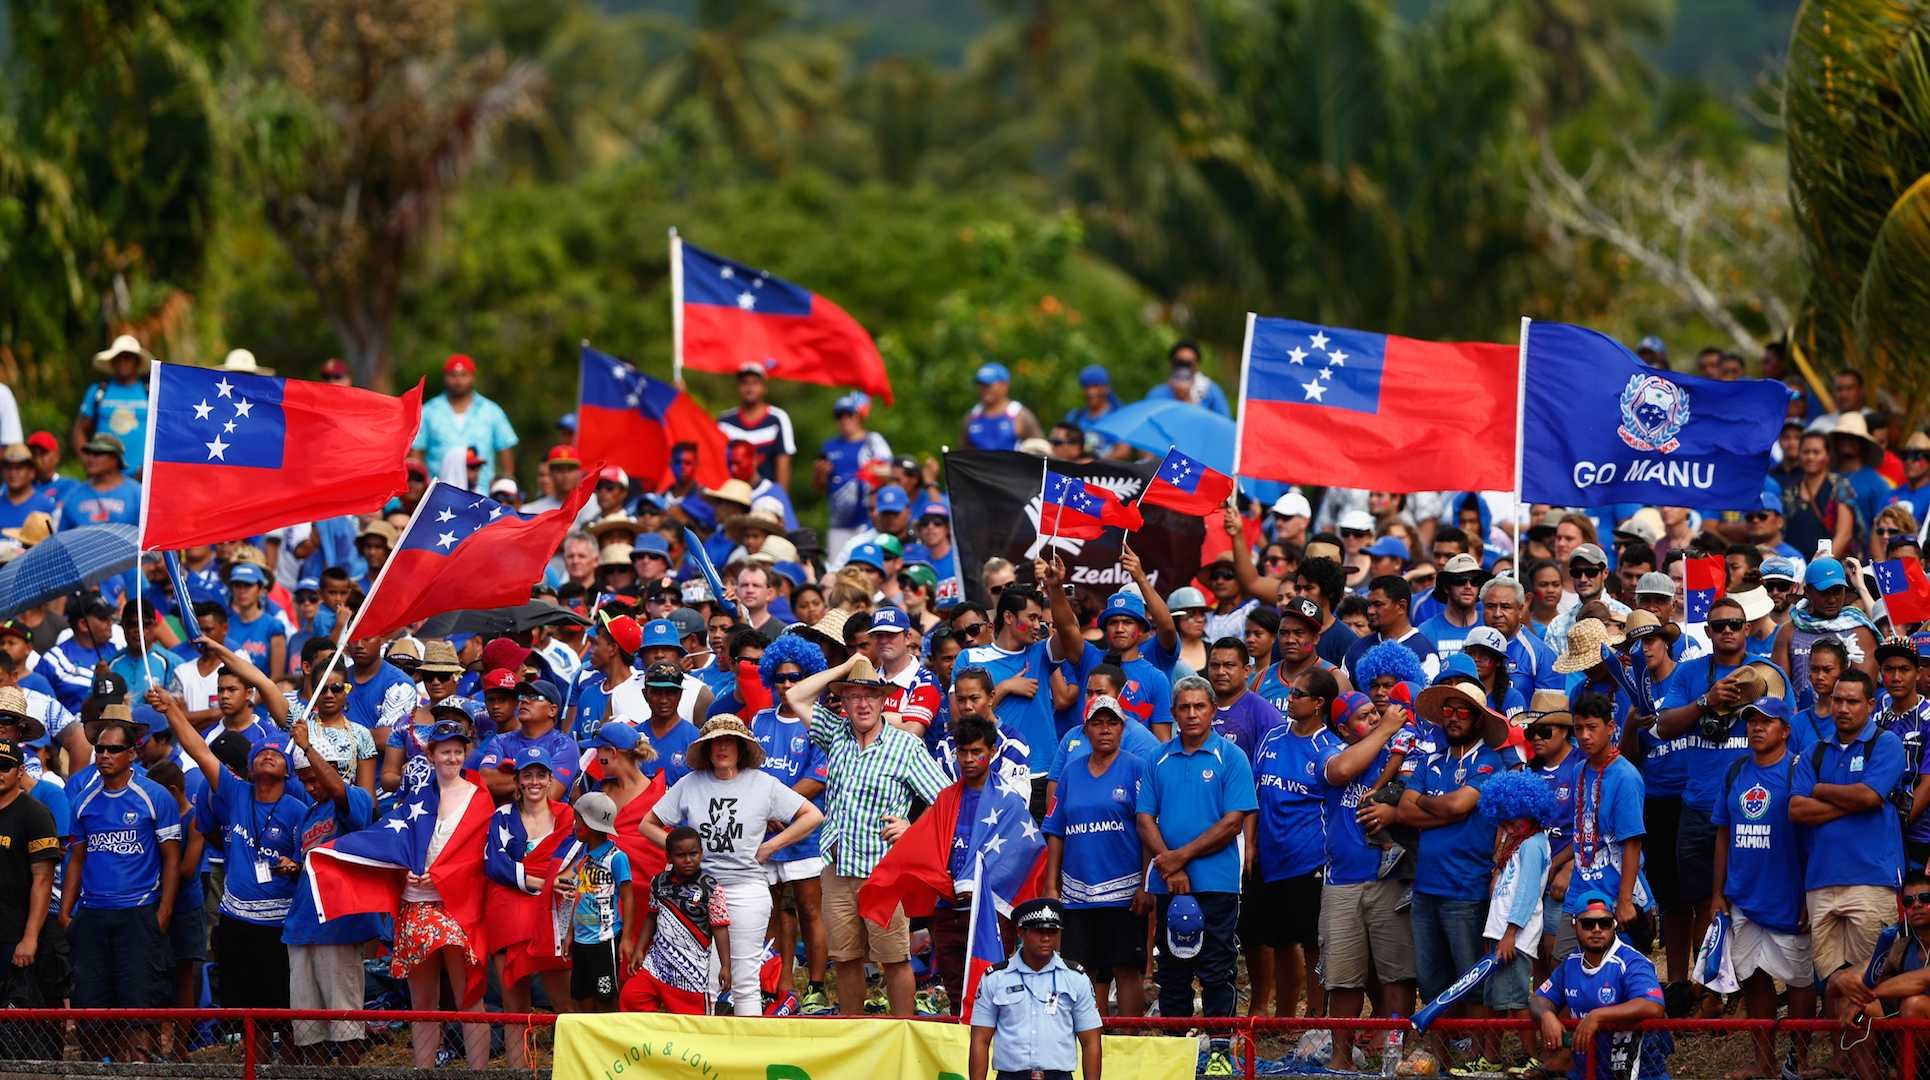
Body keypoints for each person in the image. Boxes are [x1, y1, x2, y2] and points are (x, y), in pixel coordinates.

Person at [784, 654, 949, 1016]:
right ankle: (853, 1031)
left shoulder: (905, 746)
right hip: (838, 866)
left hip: (884, 872)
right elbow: (796, 696)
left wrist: (910, 828)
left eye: (870, 695)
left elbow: (948, 801)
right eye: (853, 695)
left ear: (882, 700)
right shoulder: (836, 734)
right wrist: (846, 667)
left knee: (893, 958)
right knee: (845, 958)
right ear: (843, 702)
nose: (862, 703)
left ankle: (903, 1031)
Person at [643, 714, 823, 1016]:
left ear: (741, 747)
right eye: (715, 742)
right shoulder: (690, 784)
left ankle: (747, 1056)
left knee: (745, 979)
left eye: (729, 741)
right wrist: (681, 855)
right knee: (704, 978)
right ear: (706, 749)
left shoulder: (764, 784)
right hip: (700, 891)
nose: (722, 747)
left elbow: (812, 815)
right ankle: (706, 1055)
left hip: (747, 888)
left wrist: (771, 846)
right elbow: (648, 824)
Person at [150, 687, 304, 1027]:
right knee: (245, 1012)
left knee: (282, 1011)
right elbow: (199, 750)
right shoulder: (235, 792)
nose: (267, 754)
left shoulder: (297, 811)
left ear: (288, 771)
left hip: (277, 926)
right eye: (261, 752)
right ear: (248, 767)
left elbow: (308, 865)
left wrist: (295, 866)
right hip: (235, 921)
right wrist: (172, 709)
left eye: (276, 754)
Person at [61, 707, 181, 1063]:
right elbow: (77, 859)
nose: (105, 756)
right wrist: (66, 913)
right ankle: (96, 1071)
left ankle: (139, 1070)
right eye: (100, 749)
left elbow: (172, 860)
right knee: (90, 1007)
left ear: (132, 753)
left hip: (139, 913)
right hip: (93, 914)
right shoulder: (82, 799)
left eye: (114, 749)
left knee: (138, 1004)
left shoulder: (155, 795)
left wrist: (163, 912)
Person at [1135, 675, 1257, 1021]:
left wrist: (1178, 860)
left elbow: (1233, 822)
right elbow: (1145, 818)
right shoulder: (1156, 757)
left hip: (1217, 882)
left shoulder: (1231, 757)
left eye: (1199, 706)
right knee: (1173, 971)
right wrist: (1170, 868)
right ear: (1173, 712)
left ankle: (1219, 1048)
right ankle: (1176, 1053)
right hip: (1167, 883)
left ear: (1212, 711)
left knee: (1217, 968)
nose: (1191, 714)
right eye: (1184, 707)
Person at [1709, 696, 1817, 1078]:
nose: (1756, 727)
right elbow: (1724, 833)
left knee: (1800, 980)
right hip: (1743, 895)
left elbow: (1812, 836)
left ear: (1785, 730)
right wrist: (1718, 894)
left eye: (1766, 722)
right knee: (1753, 978)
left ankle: (1800, 1061)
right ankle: (1765, 1061)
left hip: (1788, 894)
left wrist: (1809, 894)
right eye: (1751, 721)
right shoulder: (1737, 769)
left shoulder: (1798, 770)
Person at [1791, 668, 1907, 984]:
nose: (1842, 708)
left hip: (1871, 880)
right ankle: (1837, 1038)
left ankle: (1872, 1037)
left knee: (1871, 980)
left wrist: (1821, 789)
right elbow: (1797, 809)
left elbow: (1869, 796)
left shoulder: (1886, 744)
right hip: (1820, 881)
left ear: (1870, 704)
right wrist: (1854, 802)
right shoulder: (1814, 750)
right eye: (1838, 700)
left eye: (1852, 701)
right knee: (1831, 983)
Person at [279, 718, 382, 1065]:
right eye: (304, 780)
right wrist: (292, 866)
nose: (310, 786)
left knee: (345, 1016)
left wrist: (308, 747)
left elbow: (337, 790)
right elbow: (306, 861)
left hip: (338, 922)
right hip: (303, 923)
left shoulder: (354, 798)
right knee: (307, 1020)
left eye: (315, 777)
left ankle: (349, 1071)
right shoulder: (308, 815)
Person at [1043, 695, 1151, 1018]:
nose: (1105, 729)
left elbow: (1147, 829)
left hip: (1124, 893)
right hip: (1077, 893)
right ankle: (1089, 1044)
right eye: (1097, 723)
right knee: (1080, 972)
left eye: (1112, 722)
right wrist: (1051, 884)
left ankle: (1131, 1043)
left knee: (1127, 969)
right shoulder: (1071, 773)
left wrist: (1147, 885)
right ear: (1085, 729)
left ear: (1123, 728)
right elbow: (1056, 830)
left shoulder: (1136, 768)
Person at [749, 634, 833, 1014]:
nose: (787, 684)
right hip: (765, 832)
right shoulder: (759, 720)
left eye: (795, 677)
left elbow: (819, 776)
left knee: (810, 909)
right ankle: (779, 983)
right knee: (776, 911)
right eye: (780, 677)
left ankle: (815, 986)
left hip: (805, 834)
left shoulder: (820, 721)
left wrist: (778, 807)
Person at [483, 746, 577, 1068]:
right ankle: (518, 1071)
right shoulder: (502, 816)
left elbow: (574, 865)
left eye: (540, 775)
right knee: (515, 1008)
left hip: (552, 914)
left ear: (550, 779)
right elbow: (496, 865)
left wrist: (548, 883)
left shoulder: (567, 817)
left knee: (563, 1003)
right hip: (508, 912)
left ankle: (572, 1069)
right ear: (518, 781)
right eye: (528, 775)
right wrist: (544, 882)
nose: (534, 781)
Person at [1249, 669, 1332, 1021]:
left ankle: (1314, 1015)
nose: (1290, 698)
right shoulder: (1271, 737)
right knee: (1276, 940)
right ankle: (1283, 1016)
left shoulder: (1329, 748)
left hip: (1308, 859)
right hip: (1267, 856)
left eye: (1298, 694)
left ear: (1318, 704)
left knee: (1313, 944)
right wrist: (1250, 844)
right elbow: (1253, 794)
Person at [1530, 892, 1668, 1080]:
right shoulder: (1571, 963)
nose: (1597, 929)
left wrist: (1597, 1016)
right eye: (1588, 924)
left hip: (1638, 1074)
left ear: (1614, 925)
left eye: (1604, 923)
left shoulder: (1632, 962)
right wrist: (1546, 1016)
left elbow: (1653, 1005)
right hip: (1587, 1072)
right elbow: (1539, 999)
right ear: (1574, 925)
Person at [967, 897, 1104, 1080]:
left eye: (1052, 931)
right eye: (1039, 931)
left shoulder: (1075, 978)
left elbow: (1091, 1041)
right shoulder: (995, 978)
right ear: (1021, 932)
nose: (1046, 938)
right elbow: (980, 1040)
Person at [1477, 772, 1558, 1071]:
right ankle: (1490, 1058)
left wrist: (1510, 933)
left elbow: (1525, 894)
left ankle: (1531, 1059)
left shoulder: (1534, 844)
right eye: (1505, 821)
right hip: (1499, 934)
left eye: (1516, 820)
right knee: (1495, 1001)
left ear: (1532, 812)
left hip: (1515, 938)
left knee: (1515, 1003)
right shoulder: (1516, 843)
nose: (1510, 826)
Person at [0, 736, 65, 1059]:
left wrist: (29, 938)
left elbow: (43, 880)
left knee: (23, 1029)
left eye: (5, 767)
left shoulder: (35, 814)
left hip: (17, 935)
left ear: (18, 771)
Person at [620, 825, 730, 1015]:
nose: (688, 860)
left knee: (693, 1026)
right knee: (631, 997)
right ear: (669, 857)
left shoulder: (711, 888)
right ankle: (651, 1042)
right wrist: (639, 949)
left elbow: (720, 929)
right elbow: (651, 916)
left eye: (693, 854)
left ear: (701, 854)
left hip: (690, 973)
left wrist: (726, 966)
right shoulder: (658, 882)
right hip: (655, 964)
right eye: (681, 855)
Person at [412, 353, 517, 487]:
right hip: (439, 495)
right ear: (445, 378)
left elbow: (505, 449)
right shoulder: (428, 411)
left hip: (481, 494)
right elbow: (417, 451)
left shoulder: (491, 411)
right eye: (453, 375)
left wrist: (506, 485)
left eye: (464, 375)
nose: (458, 381)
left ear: (473, 377)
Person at [815, 392, 890, 557]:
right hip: (839, 521)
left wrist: (872, 471)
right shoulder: (830, 446)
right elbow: (819, 488)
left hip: (867, 519)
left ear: (859, 416)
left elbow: (891, 472)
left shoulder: (872, 441)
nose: (844, 419)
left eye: (849, 414)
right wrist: (820, 474)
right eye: (839, 416)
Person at [72, 334, 153, 476]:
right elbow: (79, 430)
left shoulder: (149, 392)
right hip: (104, 476)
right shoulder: (98, 391)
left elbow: (163, 432)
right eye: (119, 357)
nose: (123, 362)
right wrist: (88, 461)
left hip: (142, 477)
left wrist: (151, 466)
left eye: (128, 357)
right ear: (112, 361)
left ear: (137, 362)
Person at [717, 363, 796, 487]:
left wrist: (781, 499)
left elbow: (783, 463)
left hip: (766, 497)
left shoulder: (777, 418)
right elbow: (716, 461)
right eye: (745, 383)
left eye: (755, 383)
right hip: (732, 496)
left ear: (764, 387)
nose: (749, 388)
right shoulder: (724, 421)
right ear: (738, 387)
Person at [56, 433, 142, 528]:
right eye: (88, 453)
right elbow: (63, 535)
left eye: (98, 453)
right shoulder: (72, 496)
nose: (90, 458)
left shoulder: (137, 494)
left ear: (115, 458)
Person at [960, 361, 1042, 452]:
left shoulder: (1020, 415)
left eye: (988, 385)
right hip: (978, 466)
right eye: (981, 385)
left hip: (1011, 465)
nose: (983, 389)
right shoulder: (972, 417)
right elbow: (962, 453)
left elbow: (1041, 450)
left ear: (1004, 386)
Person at [1144, 339, 1230, 415]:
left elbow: (1223, 422)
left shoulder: (1210, 391)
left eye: (1188, 363)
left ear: (1197, 366)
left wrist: (1188, 398)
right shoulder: (1157, 394)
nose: (1183, 368)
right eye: (1179, 362)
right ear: (1171, 364)